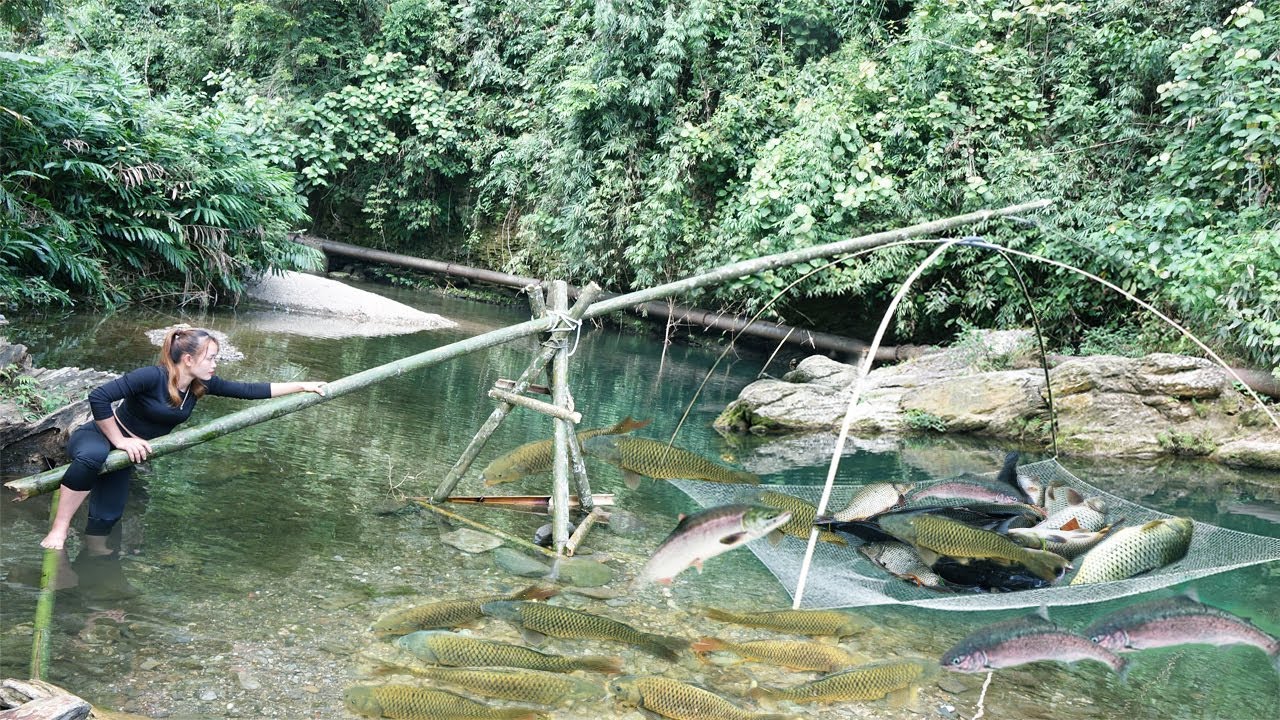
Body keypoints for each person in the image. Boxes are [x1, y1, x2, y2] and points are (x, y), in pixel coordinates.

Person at [39, 327, 326, 553]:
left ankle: (95, 565)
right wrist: (121, 440)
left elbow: (250, 389)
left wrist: (303, 385)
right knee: (92, 457)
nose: (215, 363)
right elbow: (98, 396)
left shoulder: (200, 385)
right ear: (188, 359)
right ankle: (59, 529)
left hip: (129, 455)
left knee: (108, 517)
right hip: (99, 437)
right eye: (211, 357)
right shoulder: (151, 376)